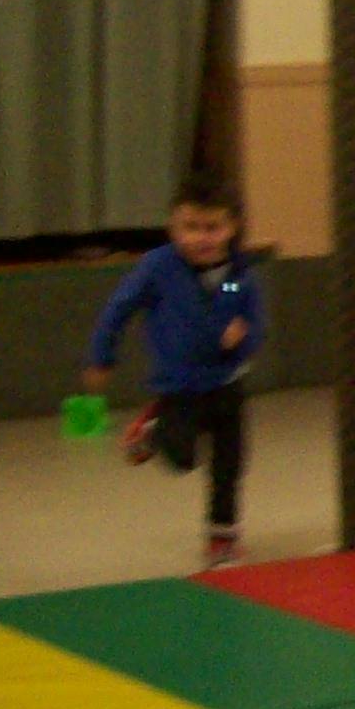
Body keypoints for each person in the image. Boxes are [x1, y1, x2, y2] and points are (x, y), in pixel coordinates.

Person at [81, 176, 266, 570]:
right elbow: (118, 310)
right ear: (173, 228)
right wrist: (101, 357)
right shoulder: (158, 268)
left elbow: (253, 319)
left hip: (227, 383)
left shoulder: (239, 274)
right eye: (191, 228)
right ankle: (153, 429)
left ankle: (222, 535)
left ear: (232, 227)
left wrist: (243, 338)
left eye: (213, 228)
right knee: (181, 458)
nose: (202, 238)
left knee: (230, 462)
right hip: (179, 387)